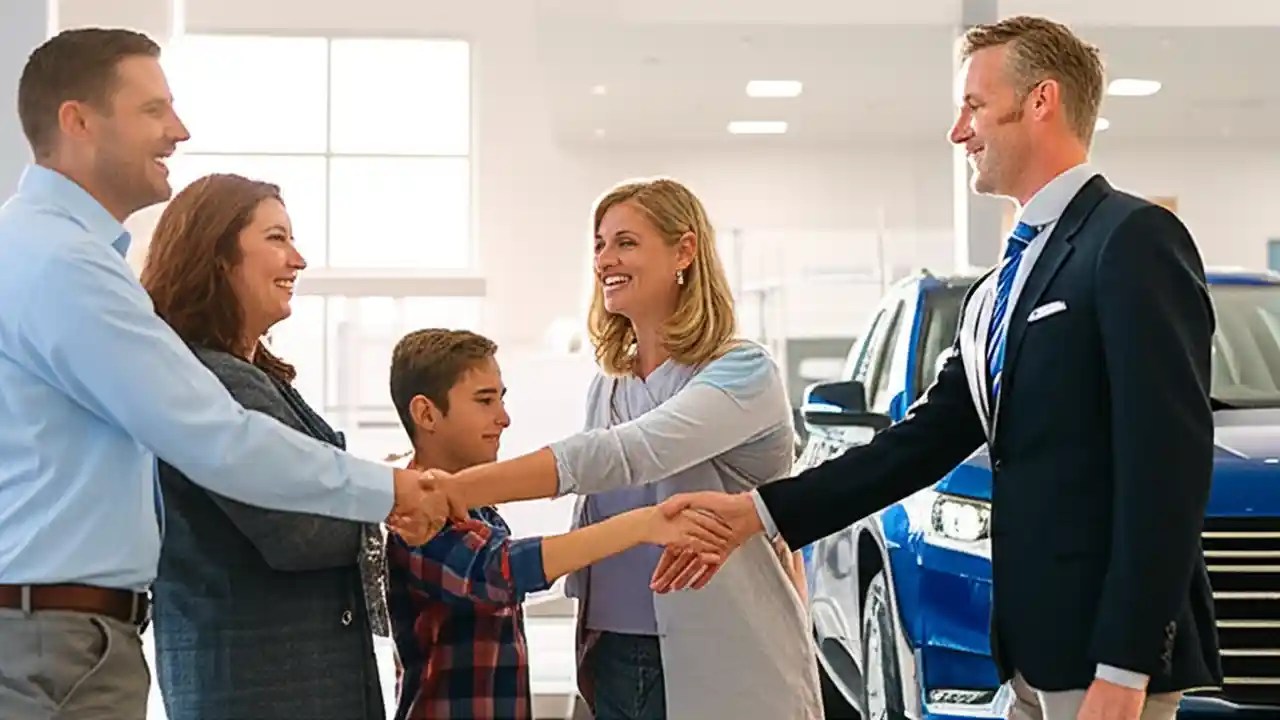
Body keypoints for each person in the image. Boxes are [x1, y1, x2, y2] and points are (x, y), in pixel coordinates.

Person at [651, 15, 1220, 720]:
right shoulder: (992, 293)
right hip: (1029, 651)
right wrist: (758, 510)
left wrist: (1127, 665)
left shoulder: (1131, 239)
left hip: (1102, 656)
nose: (959, 131)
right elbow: (916, 443)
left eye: (974, 105)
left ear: (1041, 101)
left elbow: (1166, 467)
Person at [0, 28, 449, 719]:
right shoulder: (63, 265)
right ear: (77, 121)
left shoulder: (40, 250)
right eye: (153, 110)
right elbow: (217, 438)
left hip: (62, 634)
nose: (178, 131)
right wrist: (388, 490)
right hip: (58, 642)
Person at [426, 178, 822, 719]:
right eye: (599, 244)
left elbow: (625, 454)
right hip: (612, 651)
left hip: (722, 653)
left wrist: (451, 488)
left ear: (684, 250)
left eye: (625, 242)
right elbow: (595, 508)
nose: (605, 259)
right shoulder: (609, 384)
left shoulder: (742, 371)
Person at [383, 328, 732, 720]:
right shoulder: (416, 521)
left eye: (501, 399)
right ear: (426, 413)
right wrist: (644, 524)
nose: (504, 418)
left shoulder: (475, 508)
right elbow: (506, 568)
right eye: (485, 401)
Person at [139, 173, 389, 719]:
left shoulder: (246, 377)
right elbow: (297, 529)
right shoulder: (214, 381)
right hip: (264, 686)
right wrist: (399, 506)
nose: (297, 259)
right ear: (218, 256)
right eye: (277, 238)